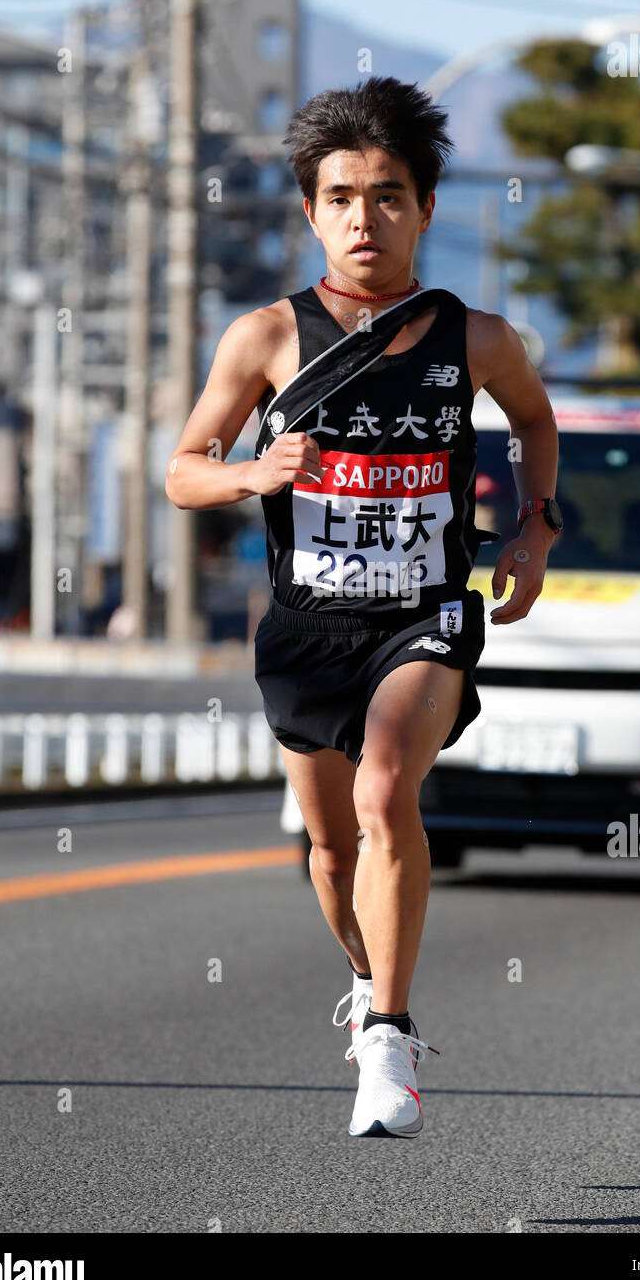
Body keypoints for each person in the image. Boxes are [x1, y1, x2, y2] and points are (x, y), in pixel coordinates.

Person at [166, 76, 559, 1138]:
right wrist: (251, 476)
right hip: (307, 626)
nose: (362, 217)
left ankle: (388, 1033)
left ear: (425, 207)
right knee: (331, 855)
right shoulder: (263, 339)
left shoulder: (473, 337)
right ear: (309, 211)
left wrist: (533, 527)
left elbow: (530, 420)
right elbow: (181, 470)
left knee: (389, 788)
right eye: (339, 195)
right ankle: (363, 978)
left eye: (387, 195)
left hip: (422, 615)